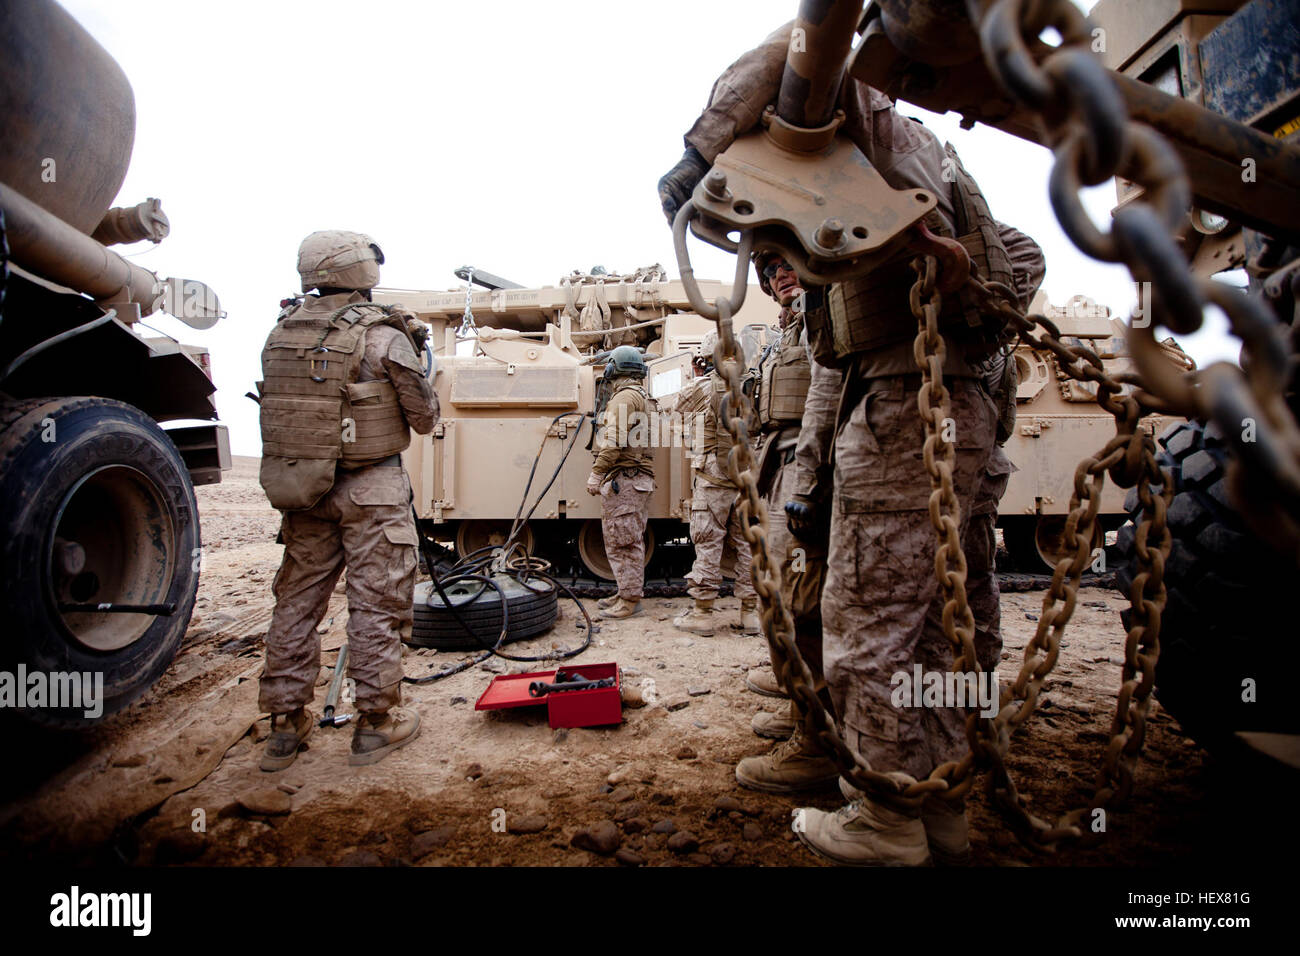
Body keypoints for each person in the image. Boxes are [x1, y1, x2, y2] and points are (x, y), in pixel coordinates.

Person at [659, 24, 1045, 865]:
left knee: (867, 615)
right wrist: (968, 302)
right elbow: (1021, 257)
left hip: (906, 399)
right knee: (940, 624)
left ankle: (883, 818)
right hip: (943, 398)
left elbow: (800, 38)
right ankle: (938, 802)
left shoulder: (860, 117)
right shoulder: (932, 170)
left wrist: (698, 154)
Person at [256, 230, 437, 771]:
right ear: (364, 272)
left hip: (305, 490)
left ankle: (284, 728)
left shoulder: (280, 333)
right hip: (372, 490)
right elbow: (424, 418)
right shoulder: (385, 337)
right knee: (377, 606)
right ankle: (375, 725)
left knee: (296, 604)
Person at [733, 251, 841, 793]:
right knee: (775, 597)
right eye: (770, 267)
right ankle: (803, 708)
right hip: (778, 467)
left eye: (788, 261)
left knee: (800, 604)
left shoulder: (823, 313)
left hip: (806, 473)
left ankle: (819, 741)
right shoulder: (785, 329)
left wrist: (811, 481)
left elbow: (829, 395)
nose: (779, 273)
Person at [671, 329, 760, 637]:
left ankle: (703, 612)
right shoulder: (752, 385)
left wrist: (698, 374)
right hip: (746, 478)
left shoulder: (700, 387)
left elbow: (678, 409)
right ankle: (750, 613)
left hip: (712, 480)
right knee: (747, 544)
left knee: (708, 542)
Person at [589, 346, 655, 620]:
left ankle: (630, 601)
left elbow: (614, 440)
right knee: (621, 539)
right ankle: (624, 591)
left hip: (625, 480)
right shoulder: (637, 395)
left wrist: (596, 472)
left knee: (624, 541)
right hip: (631, 479)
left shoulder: (624, 398)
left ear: (614, 368)